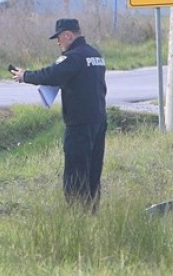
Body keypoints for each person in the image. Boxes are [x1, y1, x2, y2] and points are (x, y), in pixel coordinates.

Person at [10, 18, 107, 208]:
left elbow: (52, 74)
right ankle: (92, 209)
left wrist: (25, 76)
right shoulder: (95, 55)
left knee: (76, 170)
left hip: (79, 123)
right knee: (93, 169)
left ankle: (77, 212)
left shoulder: (73, 57)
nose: (58, 43)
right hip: (98, 121)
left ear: (68, 35)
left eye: (59, 39)